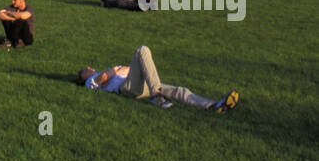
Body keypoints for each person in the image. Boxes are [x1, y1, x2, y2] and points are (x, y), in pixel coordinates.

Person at [77, 45, 239, 112]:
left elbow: (124, 69)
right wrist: (113, 71)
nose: (89, 68)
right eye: (86, 70)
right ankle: (157, 95)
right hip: (127, 88)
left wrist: (115, 70)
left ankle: (214, 106)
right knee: (142, 50)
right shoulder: (89, 82)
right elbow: (105, 76)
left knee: (178, 91)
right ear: (84, 77)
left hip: (140, 83)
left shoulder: (104, 73)